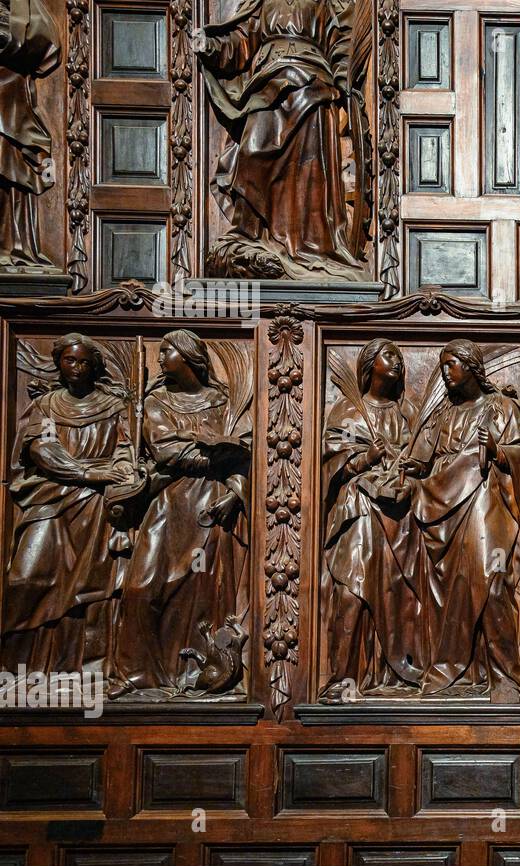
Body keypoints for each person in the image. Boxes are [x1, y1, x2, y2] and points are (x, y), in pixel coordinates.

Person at [110, 331, 250, 696]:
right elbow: (165, 451)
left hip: (213, 504)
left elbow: (250, 452)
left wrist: (235, 492)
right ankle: (137, 674)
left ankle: (196, 672)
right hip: (170, 501)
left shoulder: (222, 401)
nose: (162, 355)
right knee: (141, 586)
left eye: (169, 350)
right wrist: (215, 457)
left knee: (200, 589)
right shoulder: (157, 402)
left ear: (189, 356)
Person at [196, 0, 367, 279]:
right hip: (267, 83)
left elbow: (342, 39)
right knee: (251, 151)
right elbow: (242, 41)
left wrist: (343, 83)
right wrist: (211, 46)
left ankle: (311, 247)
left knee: (309, 171)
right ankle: (252, 234)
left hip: (312, 84)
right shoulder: (262, 2)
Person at [406, 340, 520, 703]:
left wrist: (498, 450)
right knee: (450, 590)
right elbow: (426, 458)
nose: (446, 373)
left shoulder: (500, 407)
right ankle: (460, 671)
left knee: (492, 583)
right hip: (442, 507)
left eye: (452, 365)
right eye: (442, 366)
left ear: (471, 366)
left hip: (485, 502)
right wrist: (418, 469)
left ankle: (507, 677)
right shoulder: (444, 414)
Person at [2, 334, 135, 673]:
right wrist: (86, 473)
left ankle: (76, 668)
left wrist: (119, 469)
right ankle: (15, 667)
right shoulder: (47, 406)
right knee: (25, 578)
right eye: (70, 361)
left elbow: (126, 452)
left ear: (94, 366)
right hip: (50, 498)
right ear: (59, 363)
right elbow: (42, 450)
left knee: (90, 590)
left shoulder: (112, 407)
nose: (76, 368)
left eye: (84, 362)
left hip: (95, 507)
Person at [319, 339, 429, 701]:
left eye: (400, 355)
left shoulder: (407, 414)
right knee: (353, 591)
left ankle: (394, 675)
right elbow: (330, 466)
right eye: (388, 355)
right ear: (370, 365)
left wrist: (410, 469)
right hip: (359, 511)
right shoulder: (349, 414)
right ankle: (343, 677)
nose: (396, 361)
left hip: (401, 518)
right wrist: (366, 459)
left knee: (399, 594)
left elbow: (426, 460)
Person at [0, 0, 59, 270]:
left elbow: (44, 39)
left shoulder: (23, 7)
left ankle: (13, 247)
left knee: (10, 171)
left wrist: (10, 37)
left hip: (10, 100)